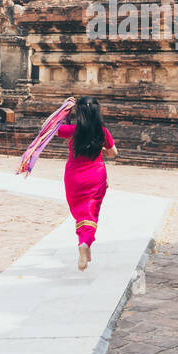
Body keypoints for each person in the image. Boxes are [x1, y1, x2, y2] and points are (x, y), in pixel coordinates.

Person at [56, 96, 117, 271]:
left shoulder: (73, 130)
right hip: (96, 175)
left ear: (79, 112)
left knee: (81, 212)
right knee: (91, 212)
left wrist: (64, 109)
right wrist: (101, 149)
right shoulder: (102, 131)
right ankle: (84, 243)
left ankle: (85, 243)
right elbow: (114, 153)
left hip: (74, 176)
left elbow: (49, 127)